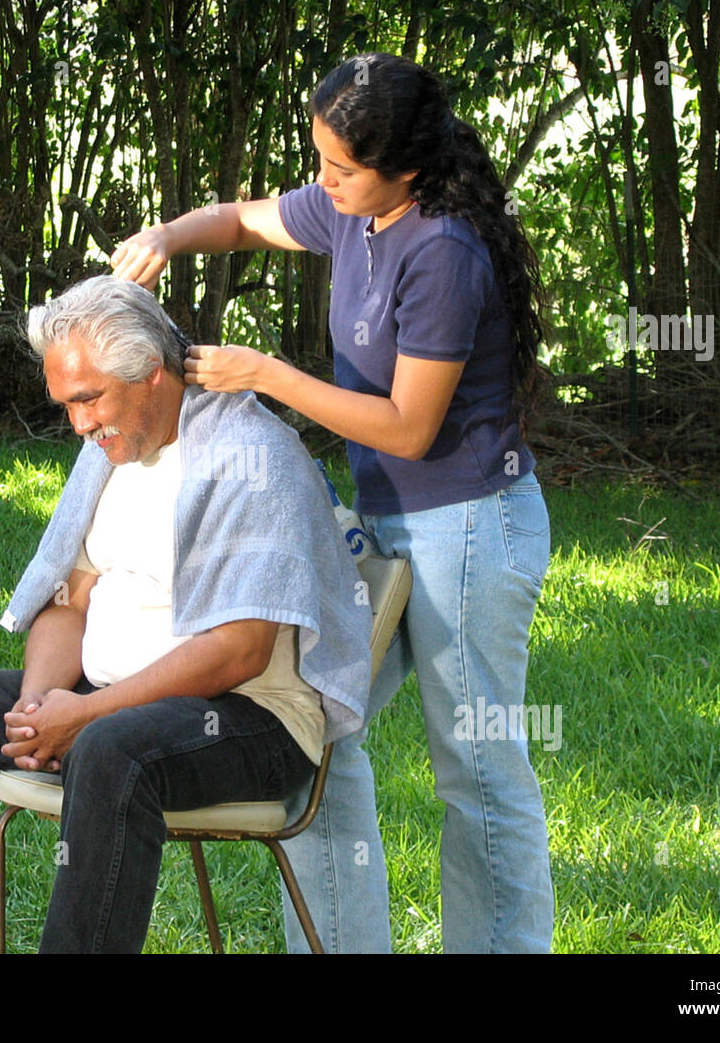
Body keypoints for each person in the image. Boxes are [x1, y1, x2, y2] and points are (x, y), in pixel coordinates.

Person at [110, 52, 553, 953]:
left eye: (341, 169)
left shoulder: (443, 250)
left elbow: (407, 427)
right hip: (391, 525)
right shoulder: (353, 209)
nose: (323, 183)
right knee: (315, 720)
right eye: (319, 160)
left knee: (475, 770)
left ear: (408, 168)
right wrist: (167, 235)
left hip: (468, 531)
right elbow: (241, 221)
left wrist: (267, 375)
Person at [0, 275, 371, 953]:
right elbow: (71, 598)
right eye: (66, 404)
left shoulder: (250, 458)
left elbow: (240, 650)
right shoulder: (109, 455)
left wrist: (87, 716)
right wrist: (40, 704)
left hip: (249, 719)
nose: (80, 424)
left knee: (109, 750)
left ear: (150, 372)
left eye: (89, 399)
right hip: (100, 703)